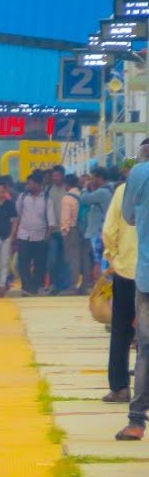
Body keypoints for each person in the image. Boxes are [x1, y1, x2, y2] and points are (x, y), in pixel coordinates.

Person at [114, 141, 149, 440]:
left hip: (147, 276)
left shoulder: (139, 173)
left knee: (146, 349)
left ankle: (137, 421)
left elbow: (128, 217)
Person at [103, 154, 142, 404]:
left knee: (121, 331)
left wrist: (113, 258)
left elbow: (109, 231)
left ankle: (120, 387)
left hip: (128, 271)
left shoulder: (123, 191)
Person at [14, 173, 51, 296]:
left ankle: (36, 286)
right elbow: (17, 216)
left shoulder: (46, 199)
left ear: (37, 184)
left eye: (30, 183)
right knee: (23, 262)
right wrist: (14, 234)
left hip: (40, 236)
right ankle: (26, 287)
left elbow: (51, 219)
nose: (28, 185)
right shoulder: (23, 197)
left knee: (39, 263)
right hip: (24, 235)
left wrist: (47, 235)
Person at [83, 168, 114, 276]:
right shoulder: (108, 190)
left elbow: (85, 199)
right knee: (101, 261)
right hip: (102, 231)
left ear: (99, 178)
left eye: (93, 178)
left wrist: (84, 188)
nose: (91, 180)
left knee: (98, 262)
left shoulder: (102, 192)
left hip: (97, 232)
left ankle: (101, 285)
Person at [61, 174, 87, 295]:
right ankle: (84, 285)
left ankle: (72, 286)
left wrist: (64, 232)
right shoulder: (82, 195)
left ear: (67, 184)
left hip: (71, 230)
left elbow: (65, 219)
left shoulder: (67, 198)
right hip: (82, 229)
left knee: (72, 258)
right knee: (82, 258)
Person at [45, 165, 70, 294]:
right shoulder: (49, 190)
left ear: (62, 175)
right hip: (53, 231)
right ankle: (53, 284)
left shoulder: (68, 189)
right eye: (53, 176)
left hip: (66, 231)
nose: (55, 178)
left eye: (57, 175)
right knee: (52, 260)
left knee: (65, 260)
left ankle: (64, 286)